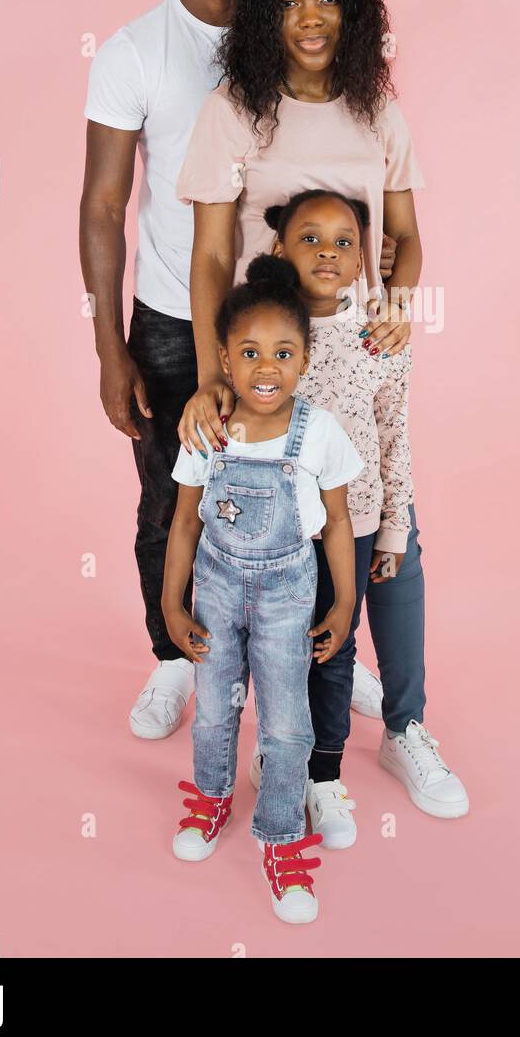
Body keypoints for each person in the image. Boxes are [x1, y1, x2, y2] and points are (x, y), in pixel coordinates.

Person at [79, 0, 398, 738]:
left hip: (303, 323)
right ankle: (178, 659)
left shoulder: (304, 38)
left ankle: (321, 661)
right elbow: (104, 206)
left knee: (321, 490)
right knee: (172, 495)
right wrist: (109, 346)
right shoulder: (133, 52)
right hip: (177, 318)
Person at [176, 0, 469, 819]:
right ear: (267, 13)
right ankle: (299, 749)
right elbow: (211, 254)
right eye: (289, 0)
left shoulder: (378, 113)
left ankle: (407, 726)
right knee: (292, 545)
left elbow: (407, 239)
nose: (309, 18)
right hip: (273, 367)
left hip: (359, 352)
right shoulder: (236, 110)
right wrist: (210, 374)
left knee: (390, 529)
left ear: (351, 7)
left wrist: (396, 299)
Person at [162, 255, 363, 923]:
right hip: (216, 589)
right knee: (215, 707)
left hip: (287, 594)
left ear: (304, 358)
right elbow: (186, 520)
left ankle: (281, 835)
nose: (266, 366)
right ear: (223, 356)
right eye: (248, 352)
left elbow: (335, 523)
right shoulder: (205, 430)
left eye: (282, 352)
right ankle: (213, 794)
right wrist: (172, 601)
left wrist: (341, 602)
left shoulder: (319, 433)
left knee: (284, 723)